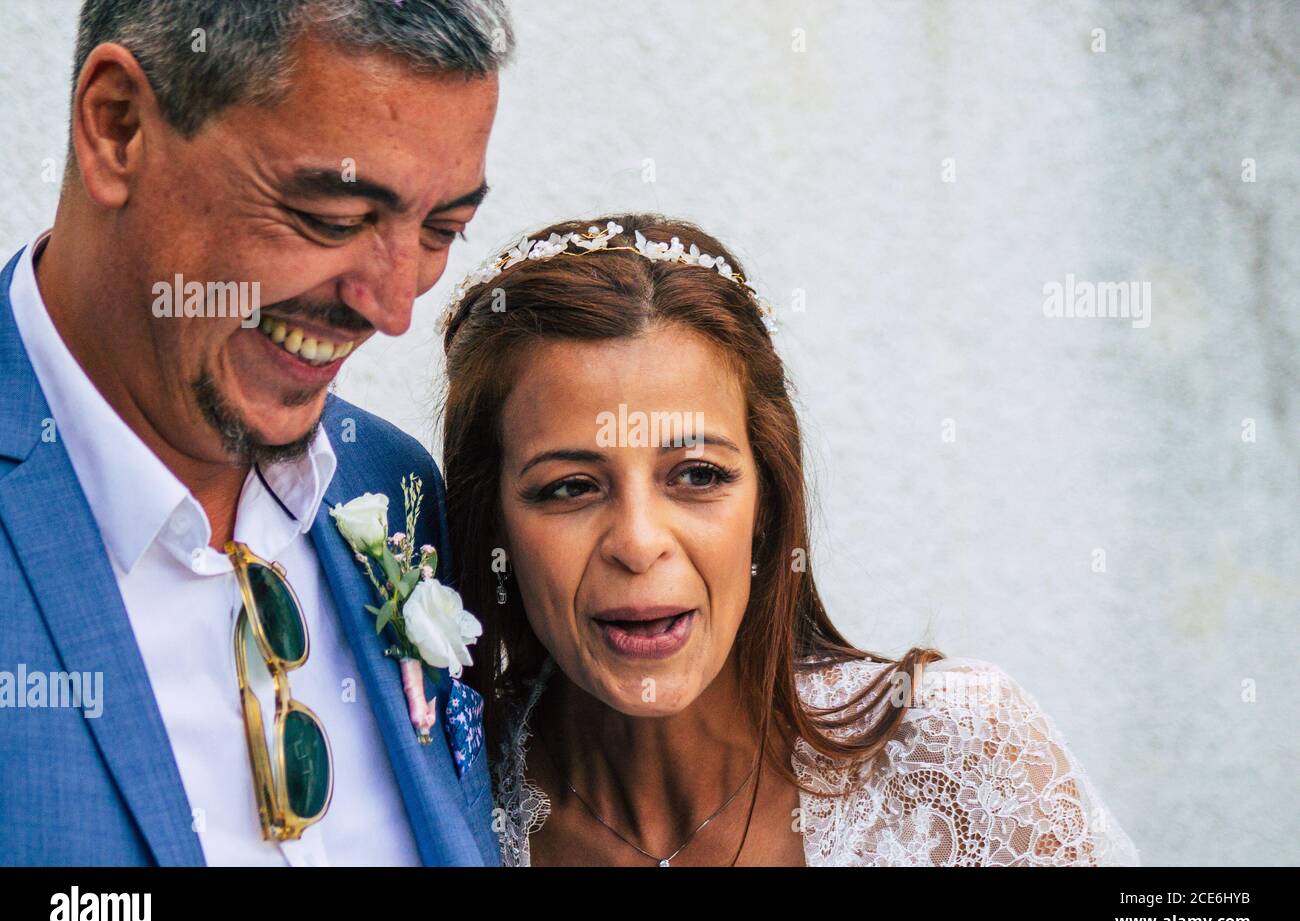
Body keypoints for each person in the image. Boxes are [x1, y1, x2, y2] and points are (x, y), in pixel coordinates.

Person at [438, 213, 1143, 866]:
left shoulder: (962, 757)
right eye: (570, 487)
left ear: (768, 501)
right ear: (493, 519)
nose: (639, 542)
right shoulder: (437, 809)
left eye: (697, 474)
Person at [0, 0, 513, 866]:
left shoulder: (398, 490)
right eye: (335, 217)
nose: (392, 311)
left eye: (440, 231)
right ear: (118, 127)